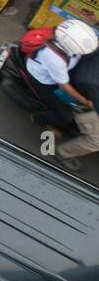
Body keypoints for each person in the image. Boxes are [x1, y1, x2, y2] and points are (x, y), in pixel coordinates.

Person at [23, 19, 99, 170]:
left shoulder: (75, 44)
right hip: (46, 82)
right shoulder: (54, 59)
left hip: (64, 76)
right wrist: (85, 101)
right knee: (65, 116)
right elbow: (64, 86)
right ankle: (40, 119)